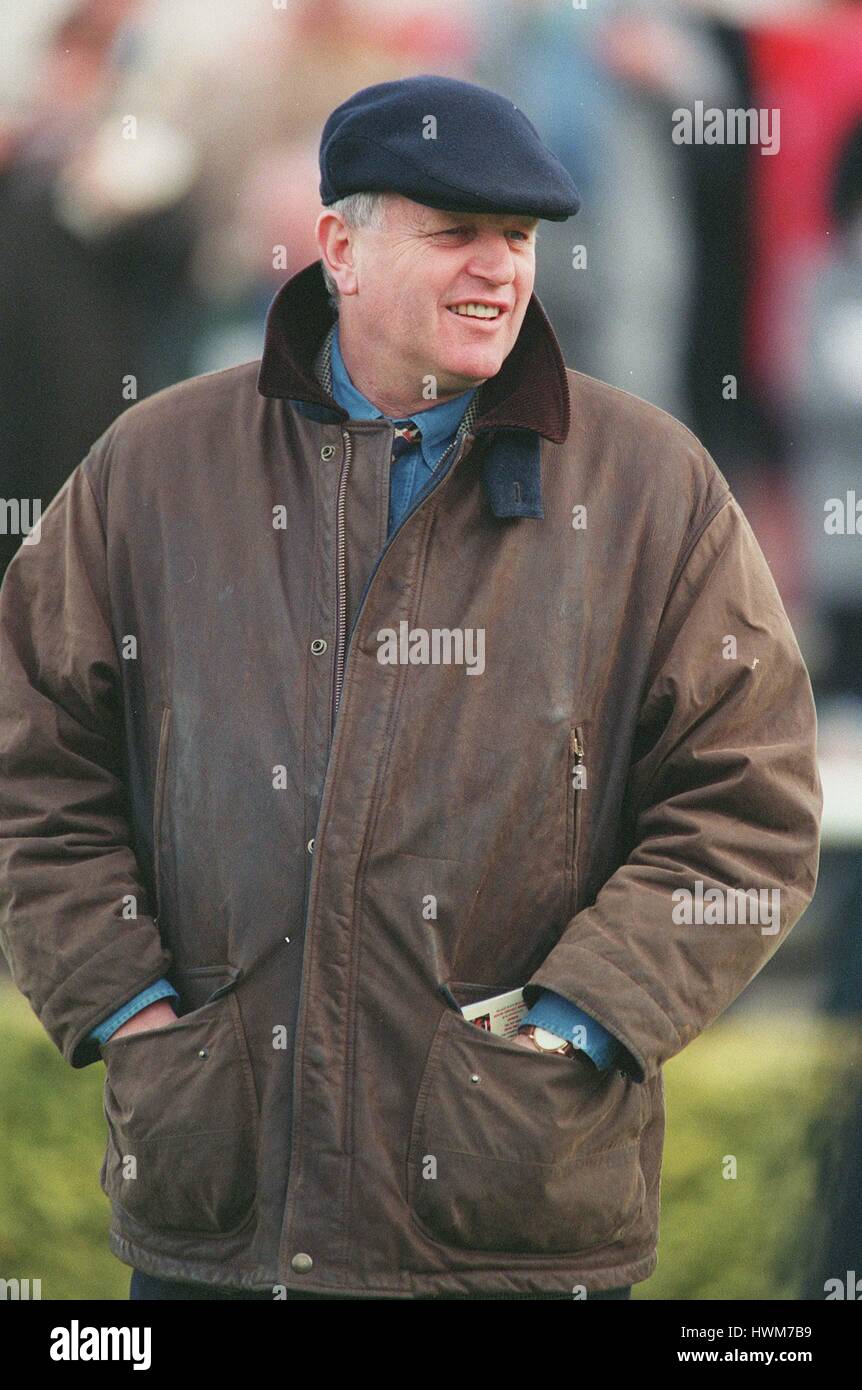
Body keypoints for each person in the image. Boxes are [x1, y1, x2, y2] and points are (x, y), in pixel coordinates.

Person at [0, 74, 821, 1301]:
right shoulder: (154, 467)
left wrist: (574, 1026)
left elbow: (747, 809)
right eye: (455, 235)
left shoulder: (653, 489)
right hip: (219, 1221)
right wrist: (126, 1005)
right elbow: (31, 758)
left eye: (520, 240)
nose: (498, 270)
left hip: (511, 1232)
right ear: (339, 246)